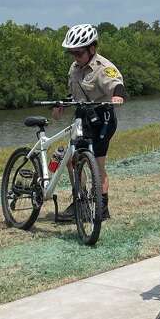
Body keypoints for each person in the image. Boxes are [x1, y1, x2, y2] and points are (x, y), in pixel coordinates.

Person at [55, 24, 124, 221]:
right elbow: (75, 93)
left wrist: (118, 96)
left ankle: (102, 208)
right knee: (72, 160)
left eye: (78, 53)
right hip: (82, 118)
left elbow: (117, 84)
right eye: (72, 53)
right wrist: (63, 104)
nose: (75, 57)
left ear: (92, 48)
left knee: (98, 165)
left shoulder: (103, 67)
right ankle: (81, 202)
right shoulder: (75, 67)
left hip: (101, 119)